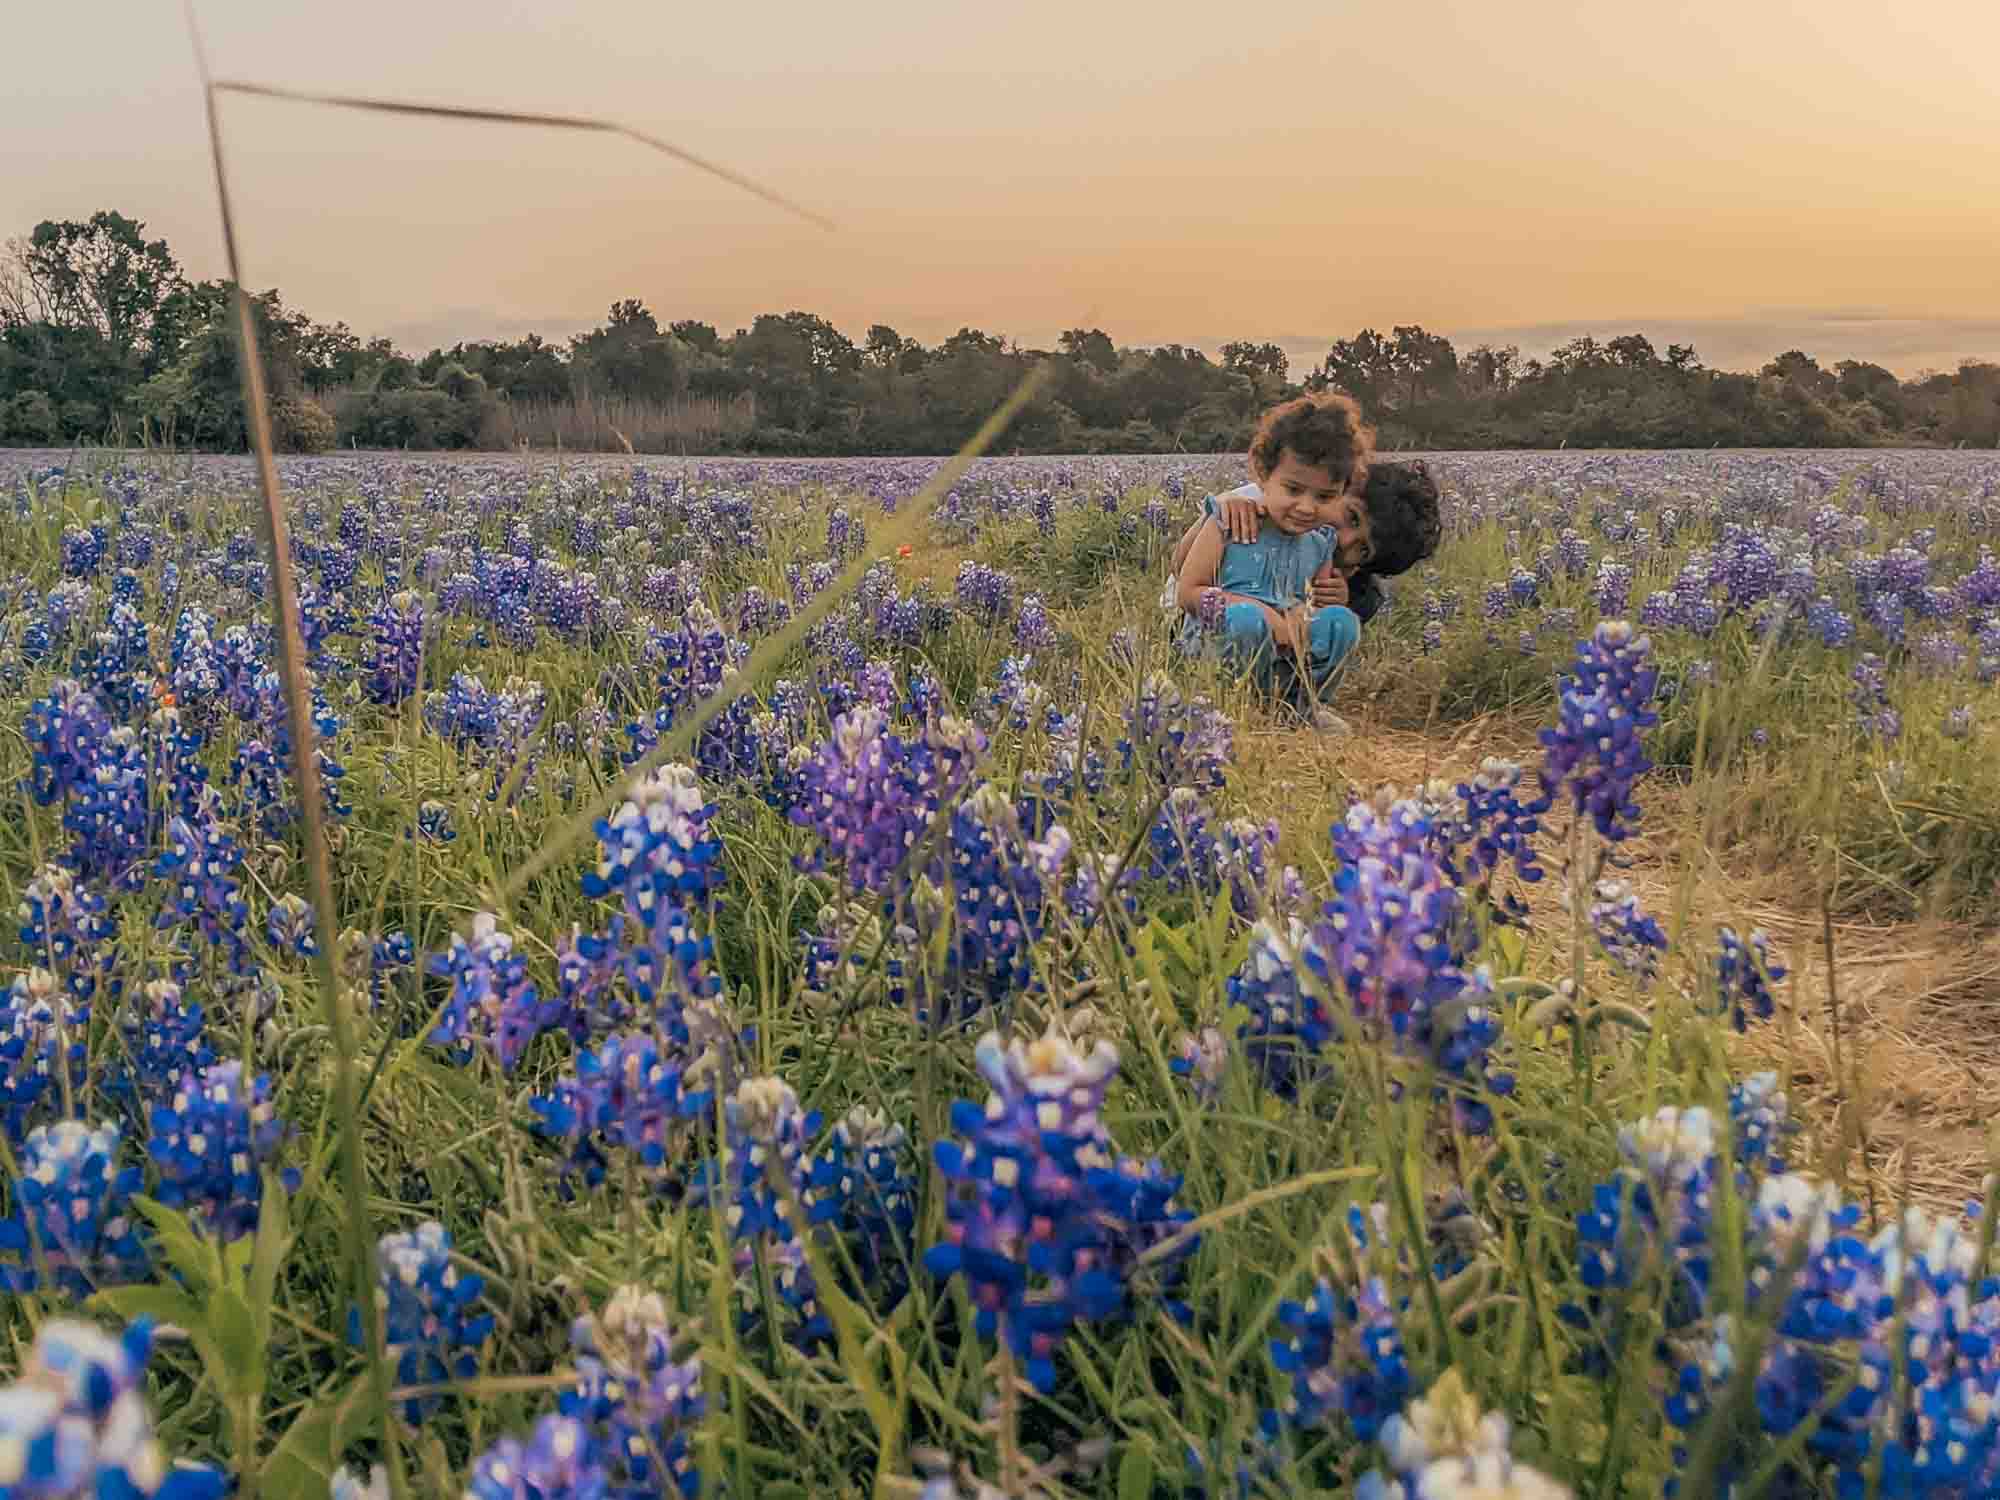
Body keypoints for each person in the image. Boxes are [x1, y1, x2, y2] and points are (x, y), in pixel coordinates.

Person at [1167, 392, 1374, 730]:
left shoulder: (1321, 541)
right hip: (1216, 646)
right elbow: (1189, 591)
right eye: (1293, 489)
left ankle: (1298, 707)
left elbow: (1315, 606)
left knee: (1342, 622)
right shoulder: (1228, 521)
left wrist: (1304, 617)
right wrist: (1261, 611)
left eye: (1324, 497)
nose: (1307, 507)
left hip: (1284, 653)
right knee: (1247, 620)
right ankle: (1226, 710)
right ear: (1262, 474)